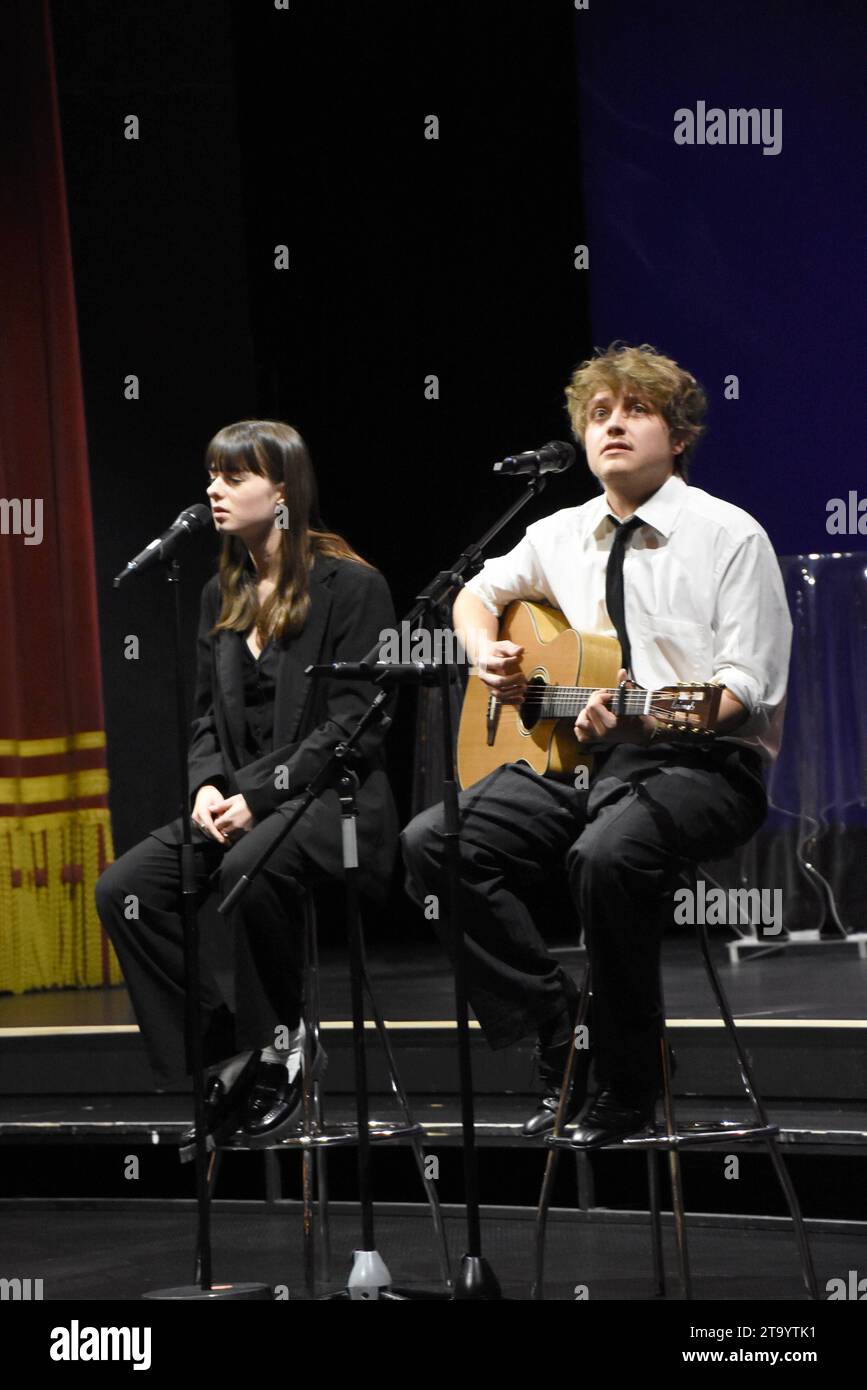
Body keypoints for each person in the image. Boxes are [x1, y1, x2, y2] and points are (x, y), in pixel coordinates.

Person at [400, 342, 792, 1145]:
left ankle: (626, 1073)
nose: (611, 425)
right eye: (597, 414)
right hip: (583, 759)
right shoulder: (558, 533)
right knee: (433, 840)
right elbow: (475, 594)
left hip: (703, 768)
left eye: (635, 411)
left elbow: (741, 694)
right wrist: (484, 650)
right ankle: (560, 1033)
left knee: (606, 855)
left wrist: (643, 720)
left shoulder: (727, 536)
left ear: (677, 435)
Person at [96, 421, 398, 1147]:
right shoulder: (220, 592)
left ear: (284, 492)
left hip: (333, 802)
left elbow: (358, 725)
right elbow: (206, 718)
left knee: (248, 865)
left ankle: (282, 1050)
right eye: (211, 475)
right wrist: (205, 787)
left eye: (234, 477)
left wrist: (259, 797)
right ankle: (226, 1054)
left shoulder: (351, 585)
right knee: (125, 891)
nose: (213, 490)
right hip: (234, 804)